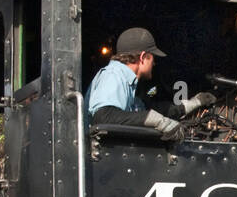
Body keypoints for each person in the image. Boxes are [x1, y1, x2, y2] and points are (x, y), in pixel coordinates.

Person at [85, 27, 216, 140]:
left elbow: (147, 110)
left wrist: (194, 103)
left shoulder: (128, 81)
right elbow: (104, 117)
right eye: (152, 57)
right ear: (142, 57)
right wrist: (157, 120)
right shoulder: (113, 74)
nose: (154, 63)